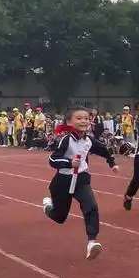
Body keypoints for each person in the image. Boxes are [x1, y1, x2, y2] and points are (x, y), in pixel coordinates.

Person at [43, 107, 119, 260]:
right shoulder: (66, 140)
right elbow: (52, 160)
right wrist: (69, 163)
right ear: (69, 122)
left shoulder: (89, 140)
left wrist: (112, 163)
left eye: (86, 118)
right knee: (60, 217)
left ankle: (92, 242)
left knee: (91, 206)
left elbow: (103, 149)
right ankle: (48, 207)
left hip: (81, 179)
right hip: (63, 181)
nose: (83, 121)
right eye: (79, 118)